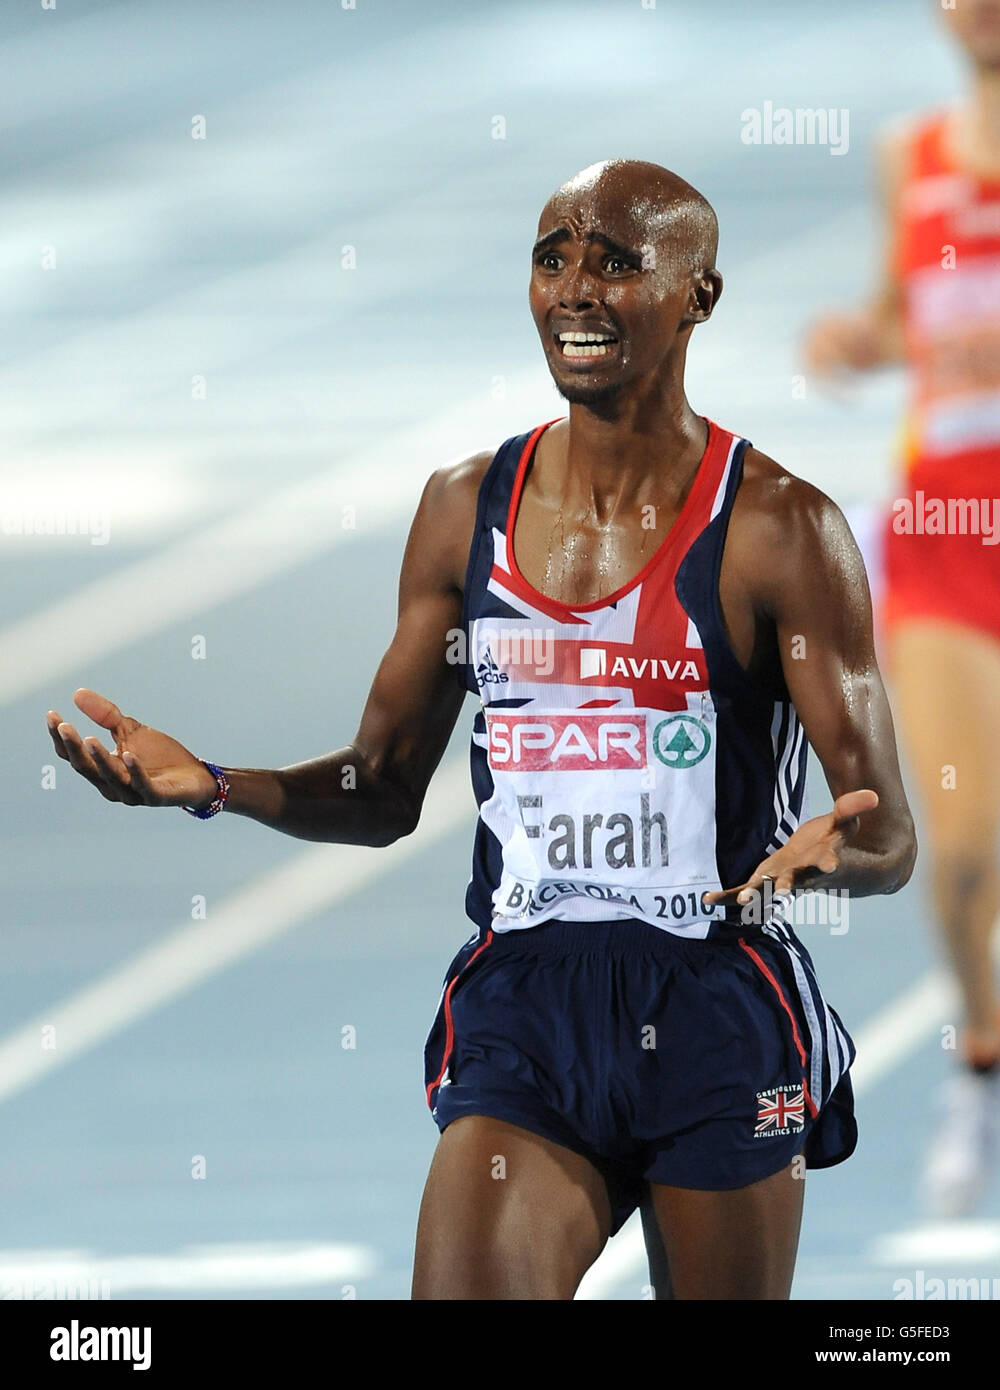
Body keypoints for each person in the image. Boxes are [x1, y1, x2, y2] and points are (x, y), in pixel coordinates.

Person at [47, 158, 916, 1300]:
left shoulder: (777, 529)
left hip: (713, 1003)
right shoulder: (465, 508)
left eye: (616, 261)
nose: (576, 290)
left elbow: (885, 833)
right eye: (552, 257)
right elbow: (381, 787)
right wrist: (214, 781)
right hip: (528, 1004)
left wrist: (821, 862)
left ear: (699, 294)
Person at [805, 0, 1000, 1217]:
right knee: (964, 847)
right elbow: (901, 316)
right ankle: (980, 1060)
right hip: (942, 536)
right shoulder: (908, 158)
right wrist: (857, 339)